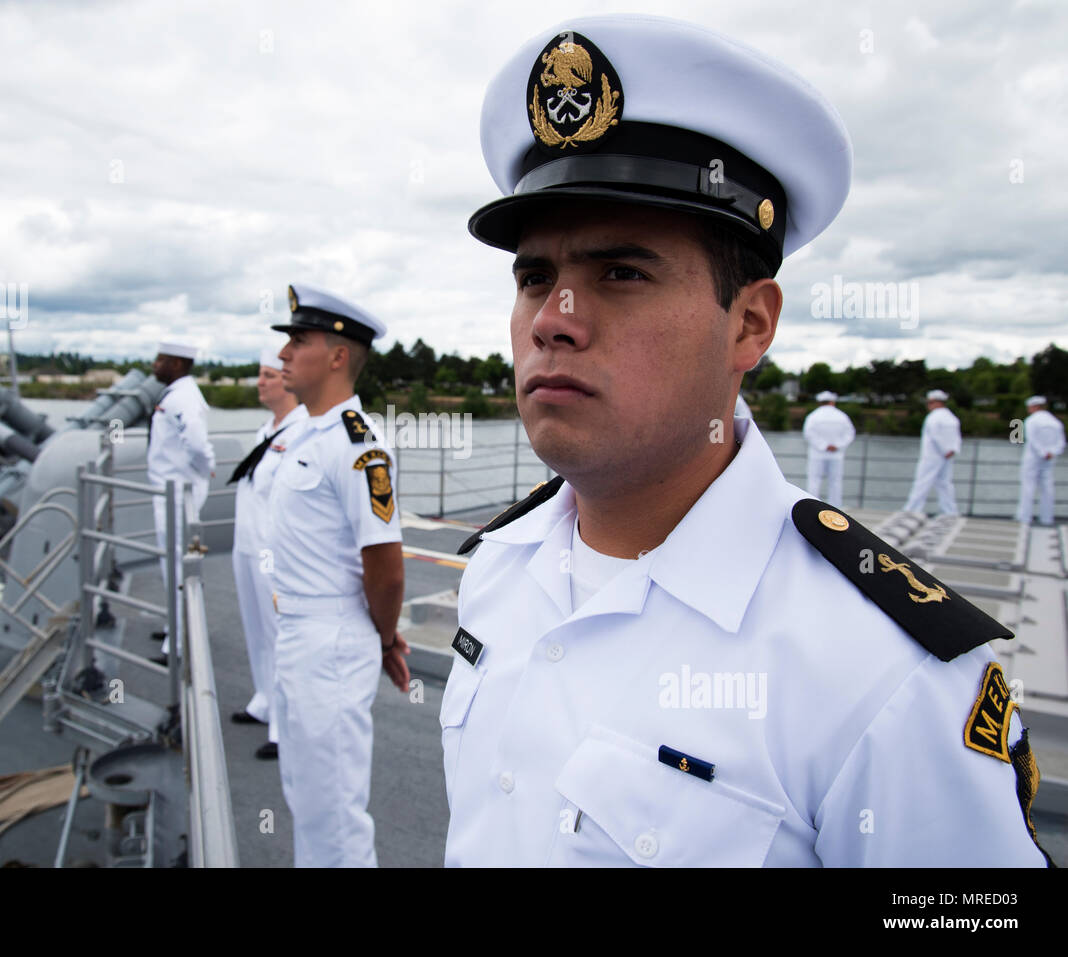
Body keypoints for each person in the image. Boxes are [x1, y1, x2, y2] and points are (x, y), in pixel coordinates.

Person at [442, 15, 1051, 867]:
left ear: (750, 324)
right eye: (535, 276)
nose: (553, 320)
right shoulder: (498, 568)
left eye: (621, 272)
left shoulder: (891, 677)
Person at [266, 283, 409, 867]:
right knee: (306, 796)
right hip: (298, 633)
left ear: (337, 355)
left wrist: (381, 635)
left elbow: (386, 565)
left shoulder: (358, 448)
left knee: (335, 811)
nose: (282, 355)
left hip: (329, 639)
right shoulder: (309, 433)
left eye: (297, 341)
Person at [228, 346, 307, 759]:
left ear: (287, 382)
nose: (260, 382)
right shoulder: (266, 431)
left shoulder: (300, 433)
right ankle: (263, 700)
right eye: (259, 375)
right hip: (247, 548)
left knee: (280, 637)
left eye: (268, 375)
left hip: (274, 556)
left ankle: (284, 725)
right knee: (256, 629)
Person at [146, 339, 215, 663]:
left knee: (176, 567)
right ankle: (175, 624)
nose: (154, 365)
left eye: (160, 360)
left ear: (176, 364)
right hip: (170, 490)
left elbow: (198, 444)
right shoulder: (178, 394)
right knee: (170, 565)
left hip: (177, 492)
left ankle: (178, 644)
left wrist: (203, 472)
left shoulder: (183, 398)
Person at [903, 389, 963, 515]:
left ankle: (912, 509)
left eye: (930, 403)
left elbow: (936, 436)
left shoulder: (933, 417)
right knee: (945, 484)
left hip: (932, 456)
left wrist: (944, 449)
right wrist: (951, 450)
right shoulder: (951, 417)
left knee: (922, 482)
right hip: (947, 456)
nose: (928, 405)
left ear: (937, 403)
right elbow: (957, 436)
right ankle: (950, 511)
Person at [1016, 395, 1065, 525]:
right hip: (1049, 459)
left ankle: (1024, 517)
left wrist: (1042, 452)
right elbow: (1061, 442)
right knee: (1048, 488)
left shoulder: (1031, 421)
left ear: (1035, 407)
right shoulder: (1055, 422)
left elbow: (1031, 440)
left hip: (1033, 458)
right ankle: (1047, 518)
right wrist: (1051, 453)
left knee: (1028, 487)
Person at [802, 391, 855, 508]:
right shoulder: (842, 416)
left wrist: (824, 446)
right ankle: (836, 507)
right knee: (835, 482)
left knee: (814, 481)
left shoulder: (813, 416)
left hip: (817, 454)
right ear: (832, 402)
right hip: (836, 454)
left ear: (819, 402)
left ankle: (812, 507)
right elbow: (850, 433)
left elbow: (808, 434)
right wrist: (837, 445)